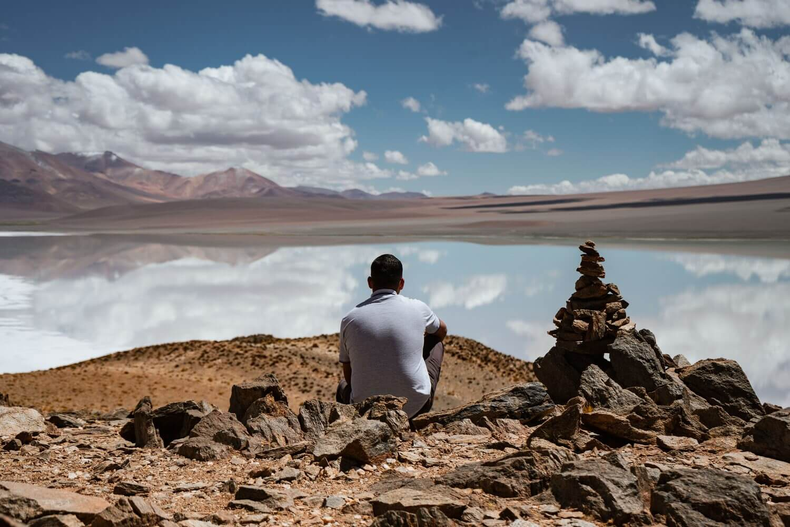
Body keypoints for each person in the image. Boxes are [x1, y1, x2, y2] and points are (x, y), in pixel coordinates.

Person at [336, 254, 448, 418]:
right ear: (401, 283)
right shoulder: (418, 308)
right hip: (415, 405)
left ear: (370, 282)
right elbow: (442, 331)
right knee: (436, 342)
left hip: (366, 410)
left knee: (342, 386)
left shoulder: (349, 319)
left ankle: (350, 428)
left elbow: (349, 374)